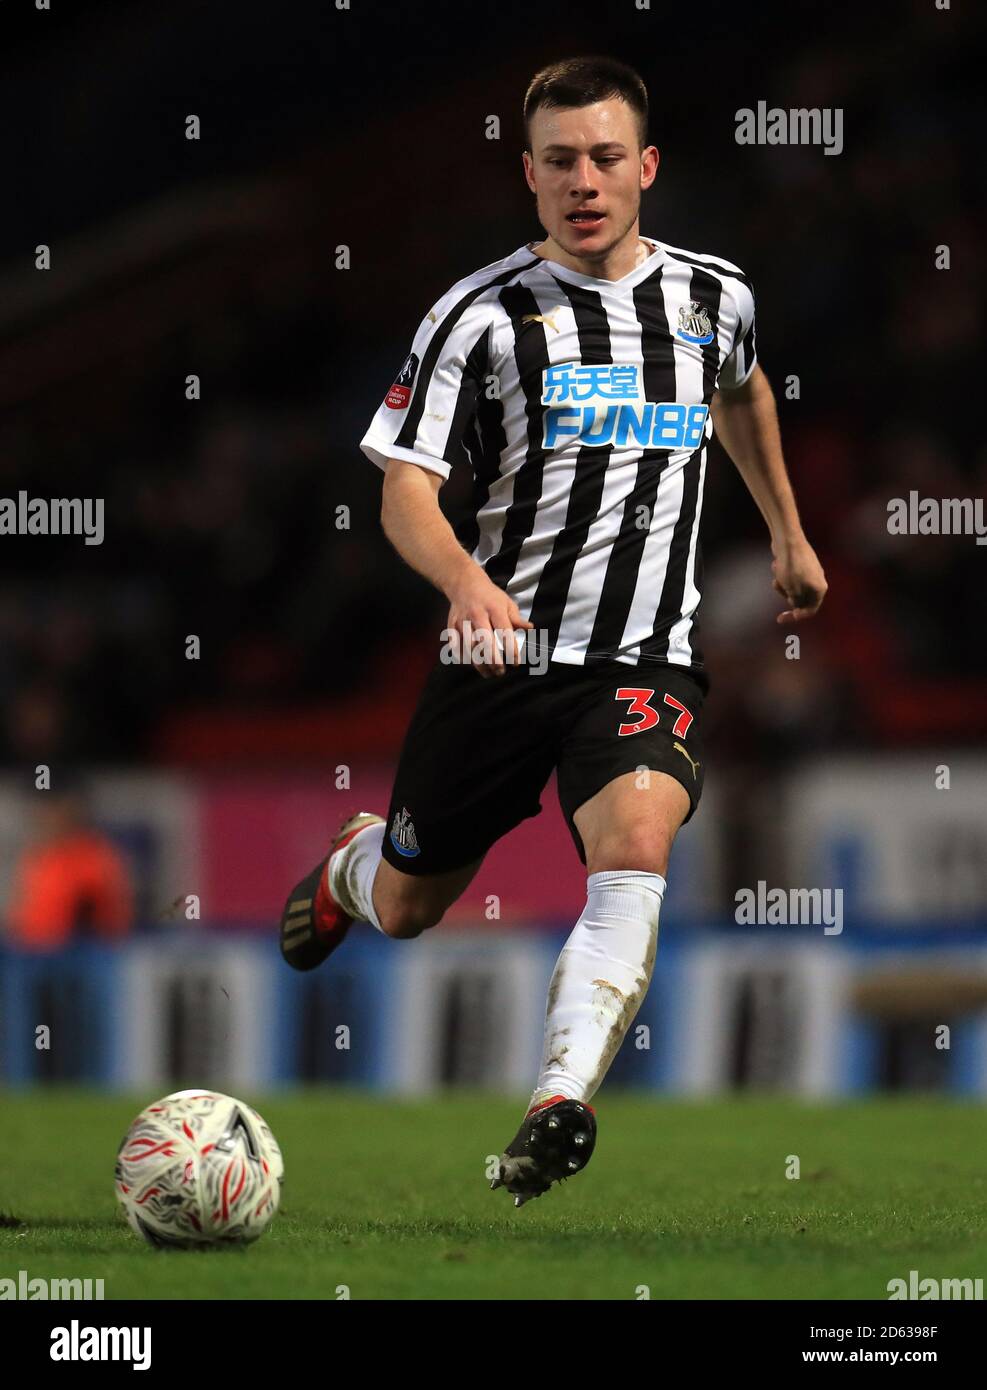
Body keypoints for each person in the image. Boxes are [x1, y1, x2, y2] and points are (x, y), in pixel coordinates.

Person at [279, 55, 827, 1206]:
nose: (587, 180)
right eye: (563, 160)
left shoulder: (713, 296)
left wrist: (786, 528)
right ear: (529, 174)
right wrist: (469, 583)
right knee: (412, 904)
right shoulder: (478, 315)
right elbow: (403, 487)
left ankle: (558, 1097)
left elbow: (743, 389)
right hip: (500, 656)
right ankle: (351, 864)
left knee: (638, 841)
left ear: (648, 168)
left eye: (607, 157)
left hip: (645, 653)